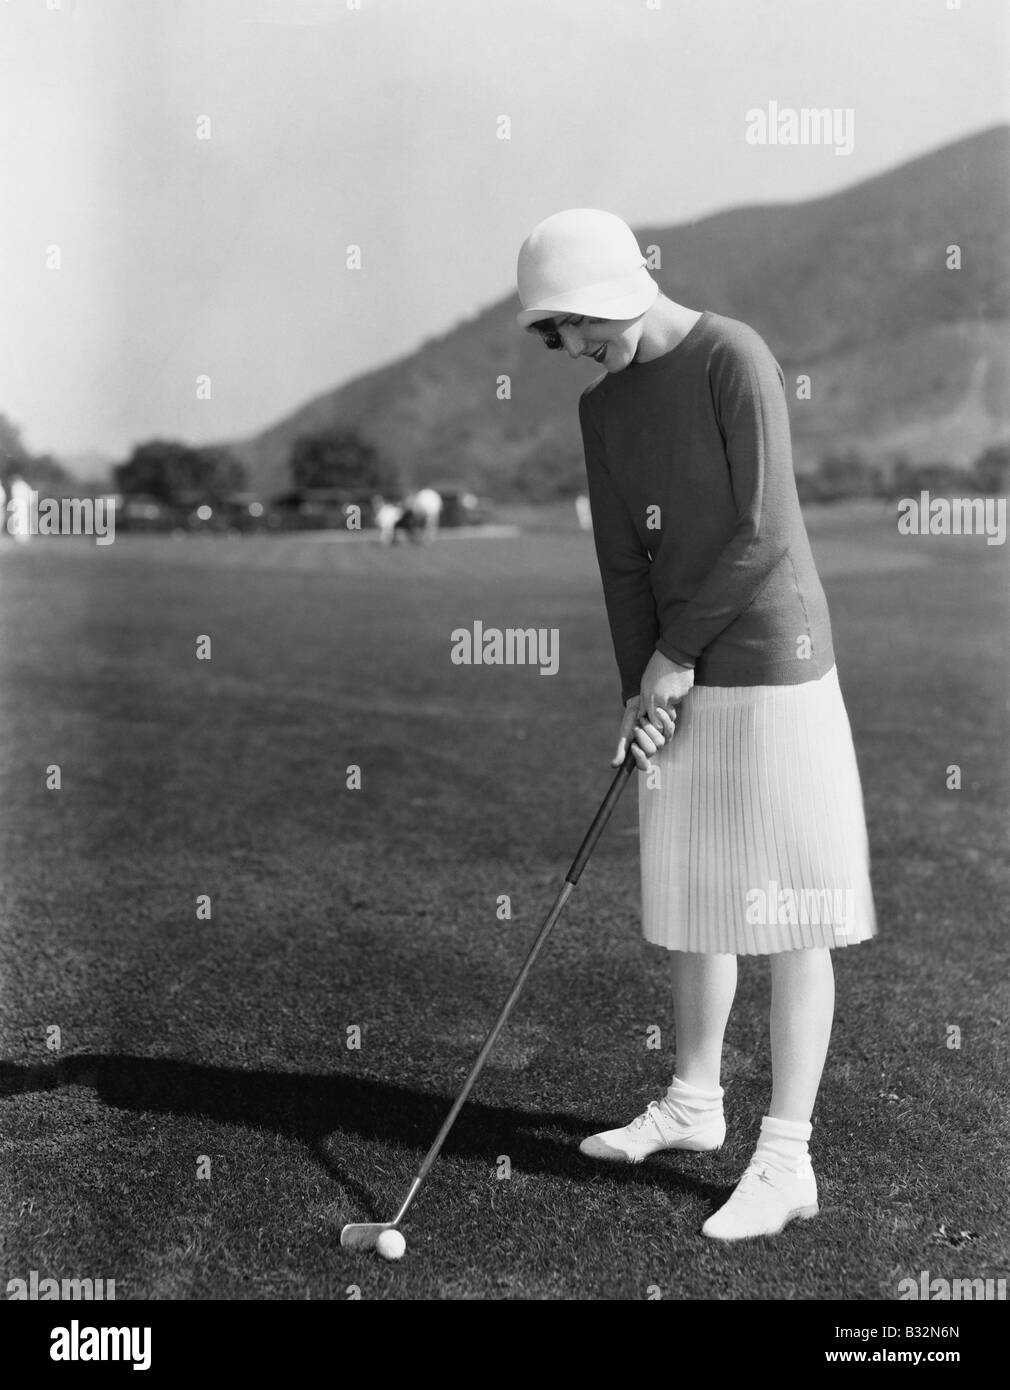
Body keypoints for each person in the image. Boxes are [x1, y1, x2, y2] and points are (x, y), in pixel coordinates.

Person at [514, 208, 876, 1241]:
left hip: (772, 660)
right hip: (675, 672)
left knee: (794, 910)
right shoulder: (601, 411)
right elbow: (623, 562)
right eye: (555, 334)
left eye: (577, 322)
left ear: (623, 289)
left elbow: (765, 531)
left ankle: (785, 1158)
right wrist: (639, 686)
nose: (572, 347)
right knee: (694, 895)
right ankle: (691, 1102)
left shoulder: (732, 356)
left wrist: (675, 657)